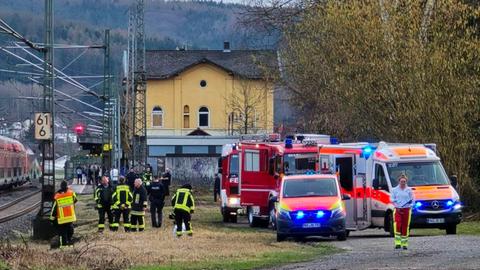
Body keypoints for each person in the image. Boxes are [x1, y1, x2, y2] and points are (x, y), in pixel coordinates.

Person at [49, 180, 77, 248]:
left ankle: (63, 246)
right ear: (67, 186)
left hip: (61, 219)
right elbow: (75, 200)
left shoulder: (57, 196)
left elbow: (54, 209)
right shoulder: (71, 193)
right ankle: (70, 244)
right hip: (70, 218)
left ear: (61, 186)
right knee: (70, 231)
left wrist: (52, 219)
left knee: (62, 233)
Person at [391, 174, 415, 250]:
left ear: (406, 181)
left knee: (405, 226)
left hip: (406, 210)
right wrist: (396, 205)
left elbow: (413, 200)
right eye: (401, 181)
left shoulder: (409, 190)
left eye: (404, 181)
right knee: (398, 225)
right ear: (399, 181)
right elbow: (392, 199)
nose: (403, 183)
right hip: (397, 210)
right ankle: (397, 243)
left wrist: (410, 205)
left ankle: (404, 244)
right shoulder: (394, 190)